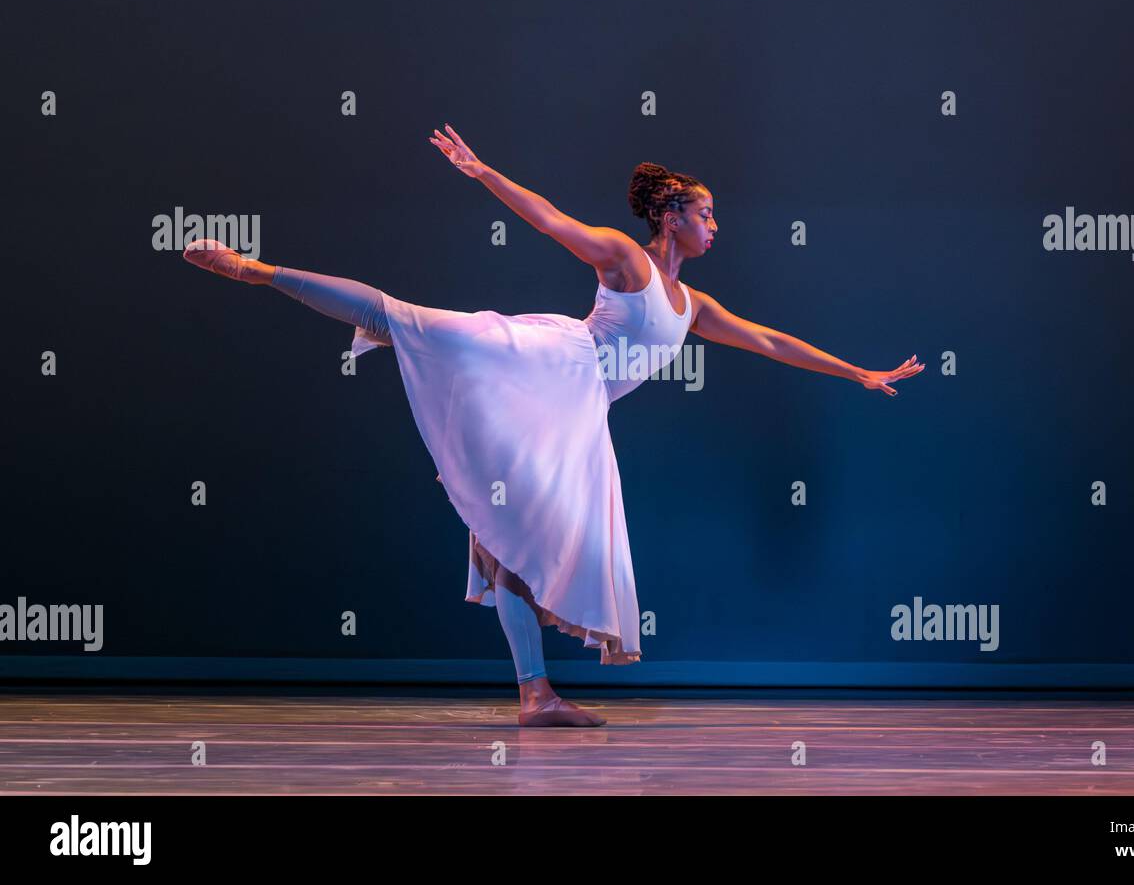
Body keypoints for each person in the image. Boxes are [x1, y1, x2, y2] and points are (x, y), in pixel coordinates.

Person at [182, 123, 925, 727]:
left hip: (578, 416)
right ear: (671, 216)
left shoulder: (690, 305)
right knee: (399, 318)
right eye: (705, 213)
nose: (715, 225)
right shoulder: (626, 259)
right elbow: (549, 219)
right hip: (548, 367)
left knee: (514, 541)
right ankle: (255, 270)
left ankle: (536, 695)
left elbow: (770, 341)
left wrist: (857, 371)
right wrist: (482, 172)